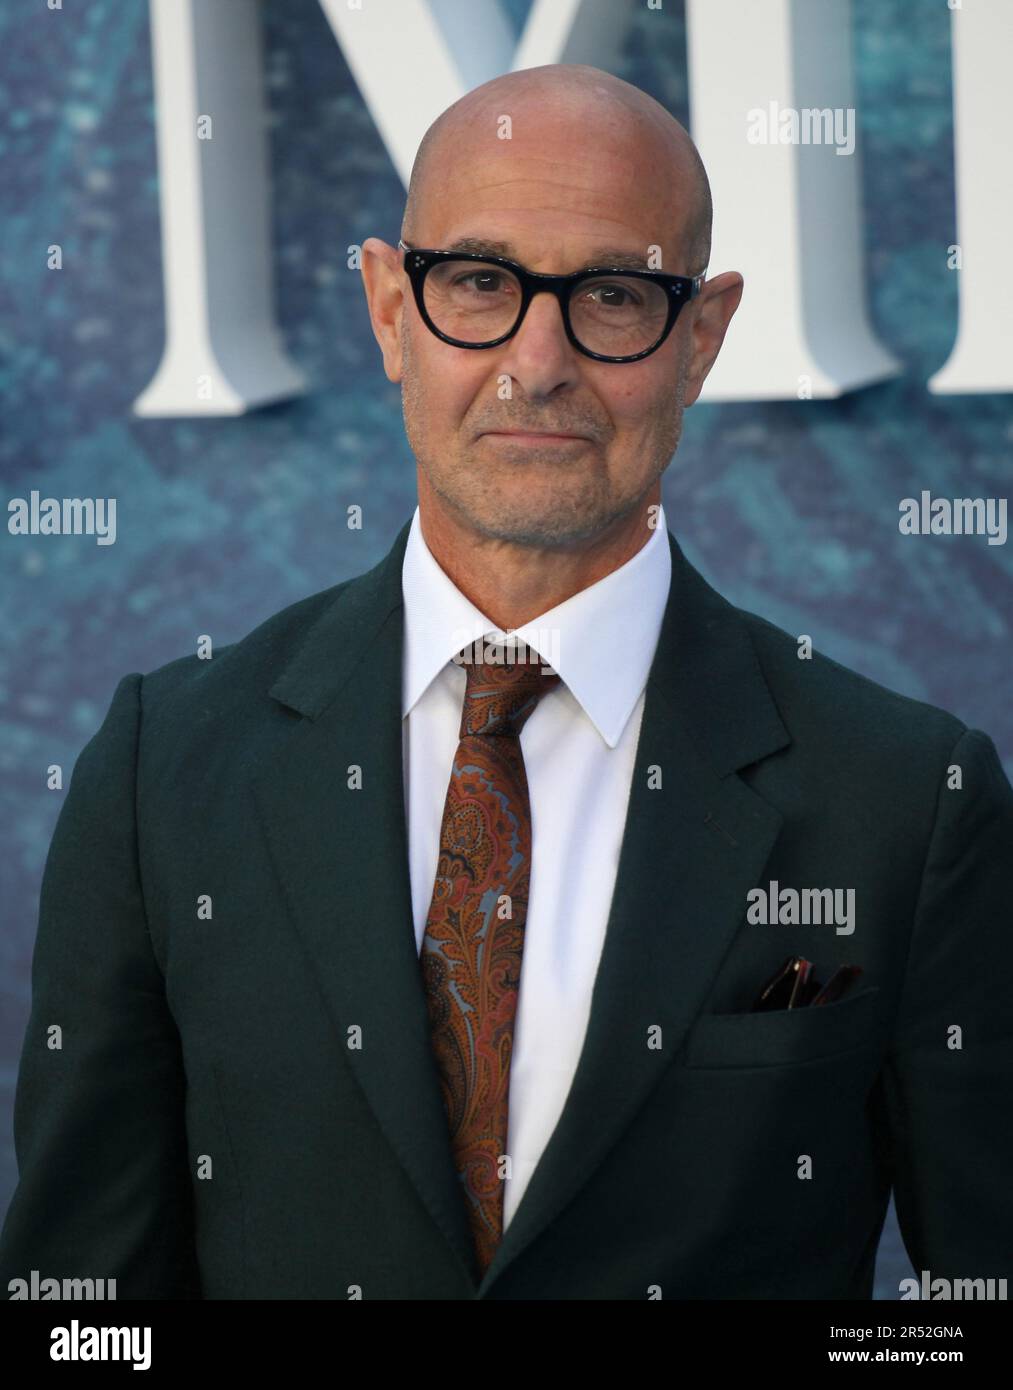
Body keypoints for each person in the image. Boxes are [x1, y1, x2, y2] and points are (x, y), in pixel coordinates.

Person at [2, 63, 1011, 1301]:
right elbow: (79, 1318)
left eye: (613, 294)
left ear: (700, 339)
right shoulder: (166, 771)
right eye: (477, 283)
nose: (536, 363)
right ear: (388, 308)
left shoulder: (905, 800)